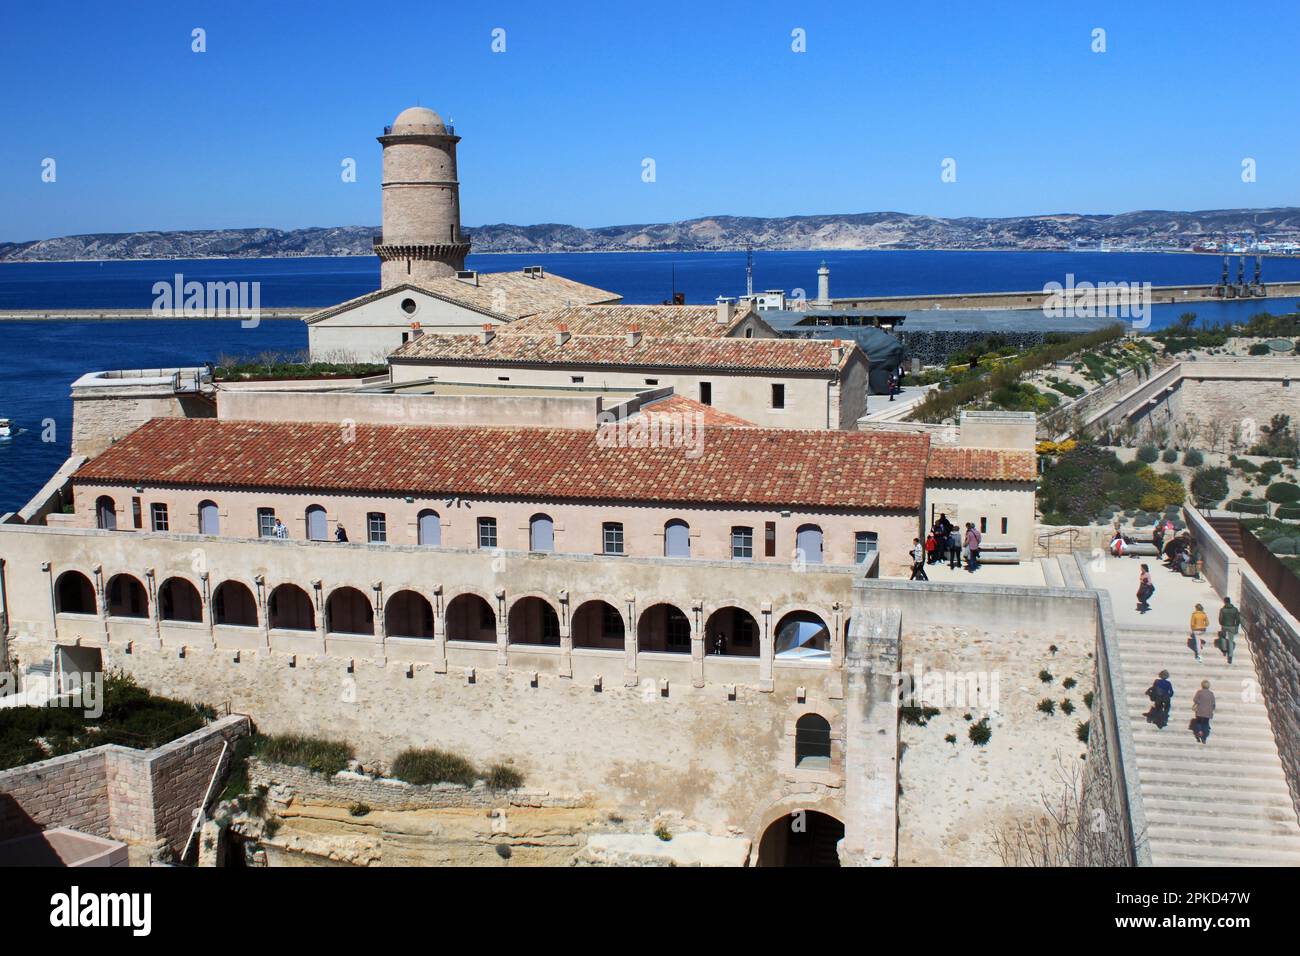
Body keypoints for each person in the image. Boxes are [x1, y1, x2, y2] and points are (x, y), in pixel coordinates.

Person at [1192, 679, 1216, 744]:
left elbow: (1195, 700)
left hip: (1200, 711)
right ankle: (1204, 738)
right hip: (1208, 712)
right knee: (1205, 724)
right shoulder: (1211, 694)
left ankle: (1199, 731)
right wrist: (1212, 709)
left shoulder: (1199, 692)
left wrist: (1200, 703)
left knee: (1198, 722)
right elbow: (1213, 703)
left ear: (1202, 685)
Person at [1217, 597, 1240, 665]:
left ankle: (1224, 650)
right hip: (1232, 626)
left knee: (1223, 638)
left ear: (1225, 602)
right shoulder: (1235, 609)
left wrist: (1222, 623)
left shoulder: (1222, 610)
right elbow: (1238, 619)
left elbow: (1220, 619)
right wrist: (1236, 626)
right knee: (1230, 641)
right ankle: (1230, 656)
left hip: (1224, 626)